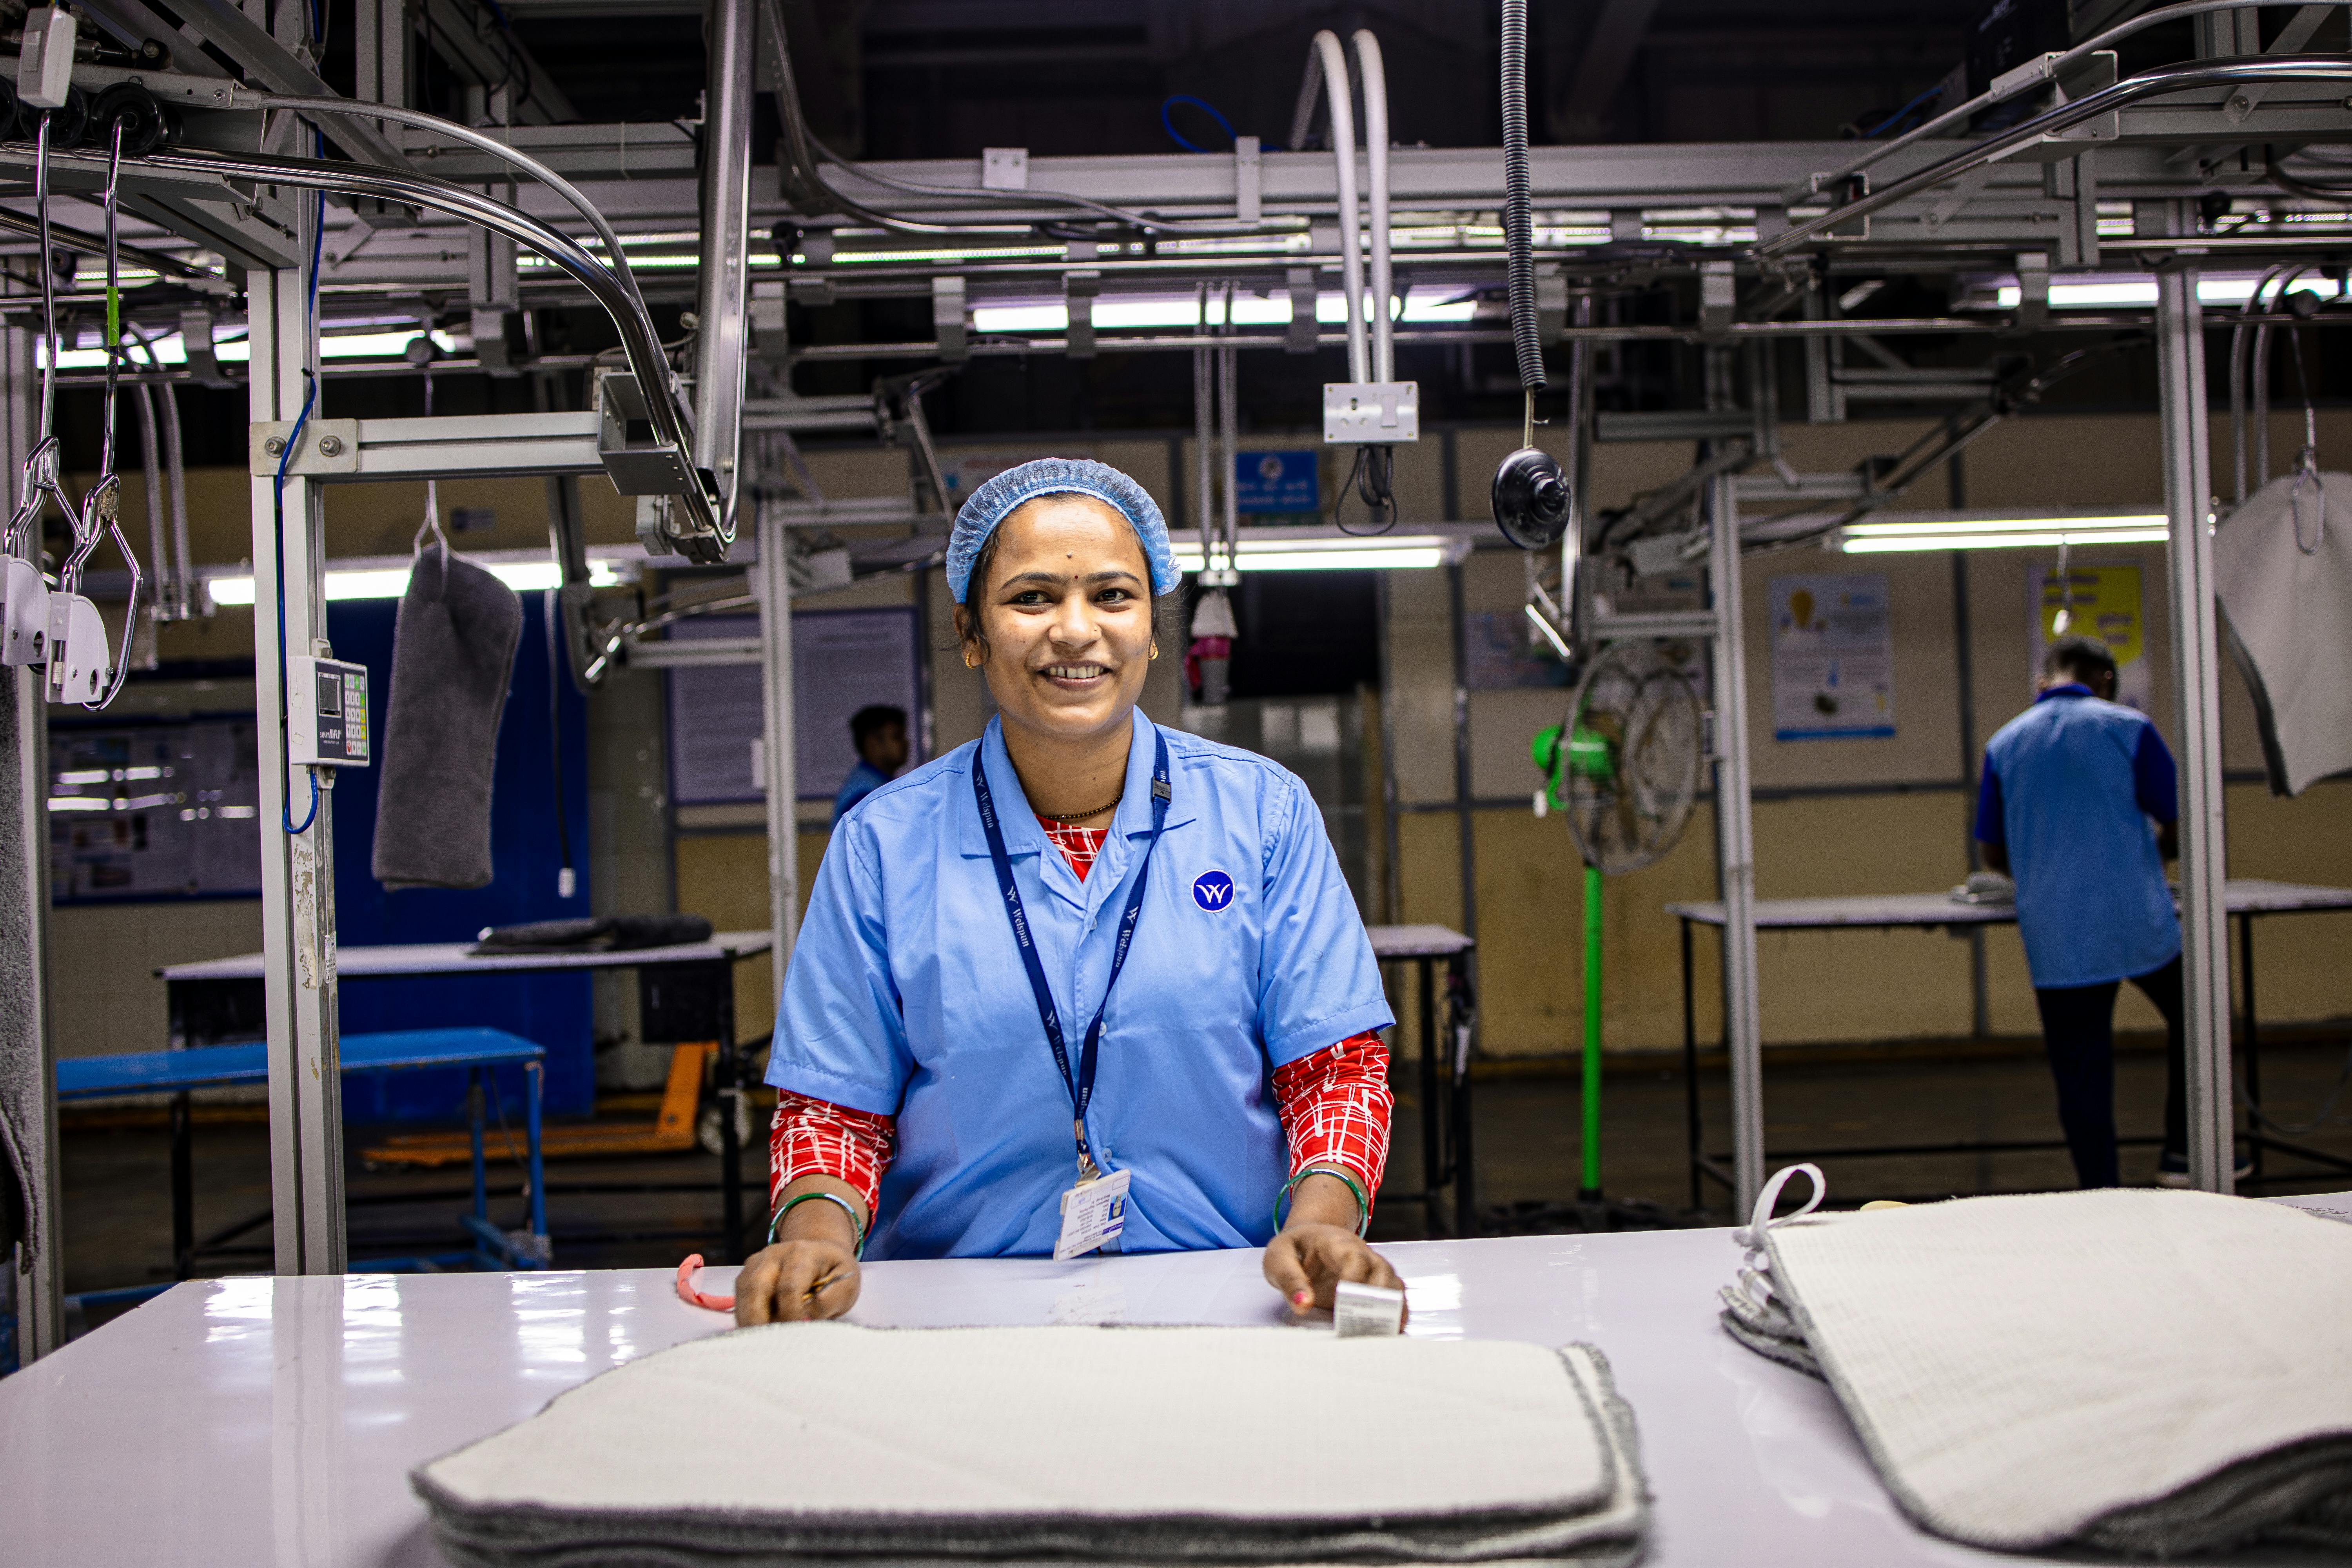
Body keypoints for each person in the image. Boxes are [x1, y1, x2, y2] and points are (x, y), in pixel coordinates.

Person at [736, 457, 1402, 1324]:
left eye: (1114, 596)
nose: (1076, 630)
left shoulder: (1263, 814)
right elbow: (834, 1109)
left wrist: (1321, 1226)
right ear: (972, 631)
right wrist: (816, 1237)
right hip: (954, 1310)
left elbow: (1334, 1073)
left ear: (1152, 629)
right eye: (1032, 598)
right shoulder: (883, 845)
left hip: (1229, 1293)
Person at [1976, 634, 2211, 1189]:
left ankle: (2101, 1191)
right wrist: (2150, 855)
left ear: (2044, 681)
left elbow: (1993, 853)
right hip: (2138, 919)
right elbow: (2180, 819)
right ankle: (2182, 1152)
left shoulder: (2003, 744)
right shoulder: (2130, 729)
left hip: (2058, 932)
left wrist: (2043, 866)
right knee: (2199, 1020)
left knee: (2082, 1070)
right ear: (2106, 679)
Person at [832, 705, 910, 824]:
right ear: (873, 744)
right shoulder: (864, 795)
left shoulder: (877, 782)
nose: (906, 743)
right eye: (897, 737)